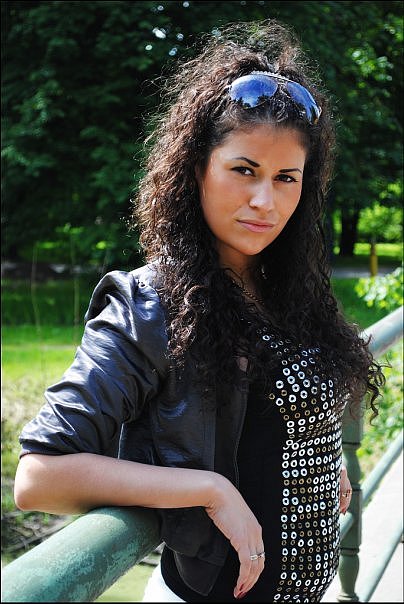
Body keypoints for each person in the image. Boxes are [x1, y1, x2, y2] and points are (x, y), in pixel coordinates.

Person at [14, 19, 384, 603]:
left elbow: (268, 415)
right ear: (196, 169)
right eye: (244, 170)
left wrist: (314, 450)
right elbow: (40, 476)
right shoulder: (150, 304)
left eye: (286, 178)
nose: (265, 200)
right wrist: (207, 489)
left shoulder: (289, 290)